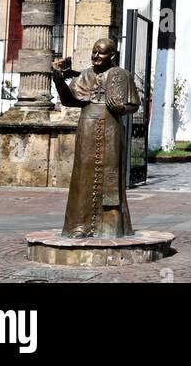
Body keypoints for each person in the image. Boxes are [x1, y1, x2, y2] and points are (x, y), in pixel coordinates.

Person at [52, 38, 139, 239]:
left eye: (100, 53)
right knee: (82, 176)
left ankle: (110, 225)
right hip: (87, 128)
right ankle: (79, 225)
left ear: (112, 55)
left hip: (111, 128)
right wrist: (58, 80)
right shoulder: (85, 75)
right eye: (93, 52)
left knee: (110, 175)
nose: (95, 56)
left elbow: (134, 105)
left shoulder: (122, 76)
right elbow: (69, 100)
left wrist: (122, 108)